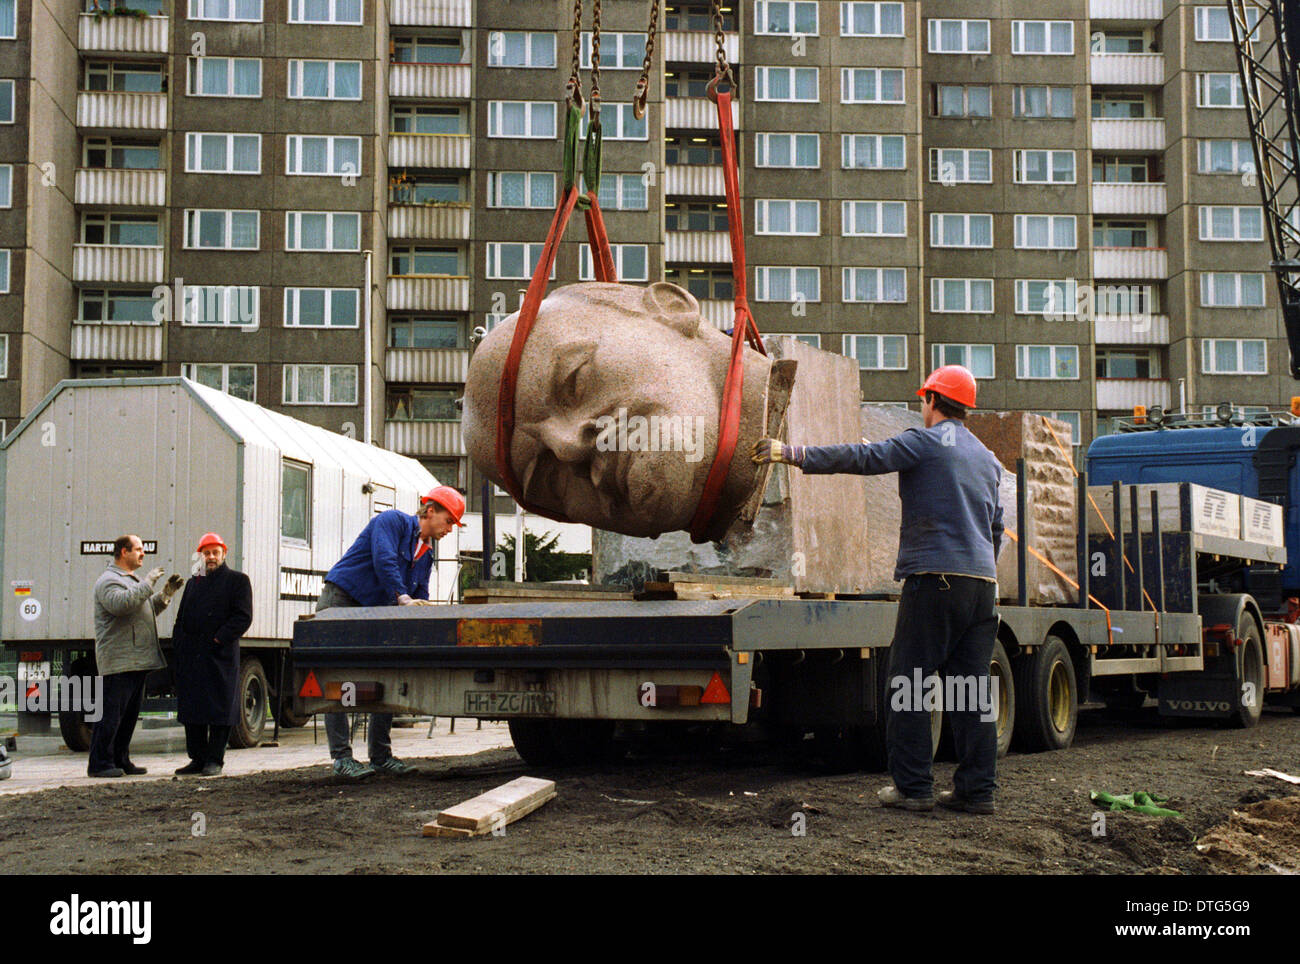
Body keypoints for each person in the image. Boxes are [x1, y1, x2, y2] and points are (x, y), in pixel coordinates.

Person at [752, 365, 1004, 815]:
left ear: (930, 399)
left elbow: (861, 459)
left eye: (922, 400)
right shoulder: (985, 457)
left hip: (935, 581)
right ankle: (976, 792)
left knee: (909, 682)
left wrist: (789, 452)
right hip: (983, 586)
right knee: (970, 689)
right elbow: (996, 528)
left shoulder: (923, 442)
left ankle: (913, 789)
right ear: (965, 406)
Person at [318, 486, 465, 779]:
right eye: (449, 521)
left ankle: (380, 756)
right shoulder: (391, 521)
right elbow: (384, 561)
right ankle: (342, 758)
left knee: (386, 676)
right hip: (343, 599)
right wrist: (403, 598)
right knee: (339, 680)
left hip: (376, 609)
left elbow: (419, 592)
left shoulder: (427, 556)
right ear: (431, 510)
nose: (450, 529)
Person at [89, 535, 184, 777]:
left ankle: (120, 760)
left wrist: (165, 594)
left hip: (134, 660)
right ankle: (100, 764)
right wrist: (148, 582)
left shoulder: (128, 580)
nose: (143, 554)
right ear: (123, 552)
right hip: (119, 661)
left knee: (128, 716)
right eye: (138, 550)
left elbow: (144, 609)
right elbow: (121, 605)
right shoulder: (109, 581)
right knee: (111, 715)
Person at [172, 532, 252, 777]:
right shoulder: (192, 583)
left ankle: (215, 760)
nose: (211, 557)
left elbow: (243, 617)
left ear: (224, 554)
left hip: (220, 657)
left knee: (219, 709)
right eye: (206, 553)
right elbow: (182, 618)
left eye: (215, 552)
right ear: (200, 555)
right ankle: (197, 758)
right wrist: (180, 644)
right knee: (193, 710)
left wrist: (219, 638)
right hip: (192, 658)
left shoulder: (237, 581)